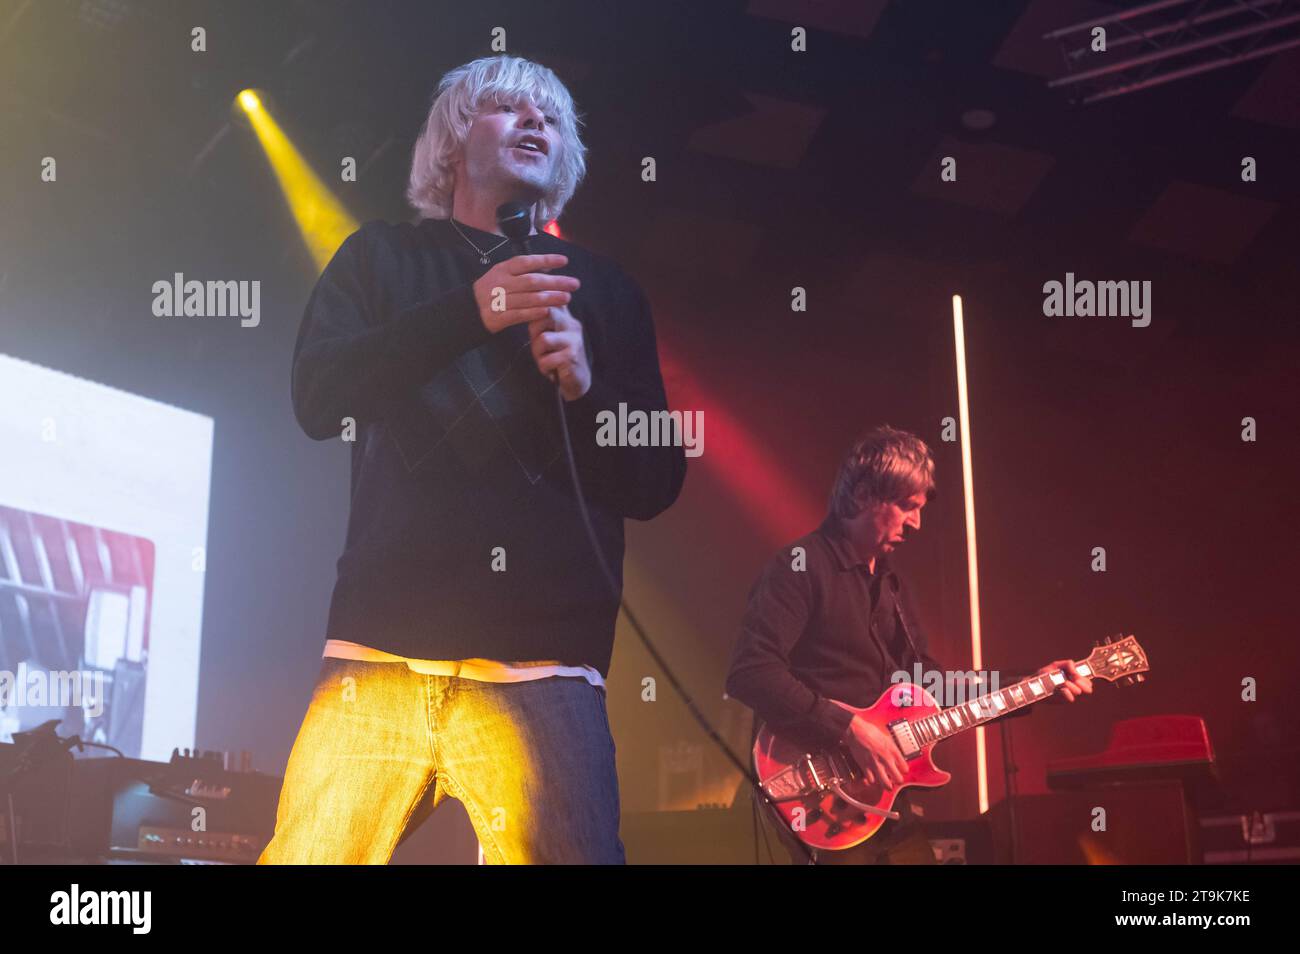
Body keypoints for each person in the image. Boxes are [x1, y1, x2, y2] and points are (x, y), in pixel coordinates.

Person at [259, 54, 686, 864]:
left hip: (546, 669)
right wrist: (471, 311)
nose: (536, 123)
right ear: (451, 143)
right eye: (508, 109)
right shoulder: (381, 258)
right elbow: (319, 399)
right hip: (379, 653)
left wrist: (588, 390)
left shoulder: (607, 291)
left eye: (551, 119)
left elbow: (657, 480)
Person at [725, 426, 1089, 864]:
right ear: (862, 495)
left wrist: (1032, 684)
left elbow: (931, 687)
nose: (916, 522)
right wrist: (851, 729)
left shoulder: (891, 585)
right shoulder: (799, 568)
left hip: (882, 799)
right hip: (817, 792)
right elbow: (751, 672)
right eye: (905, 506)